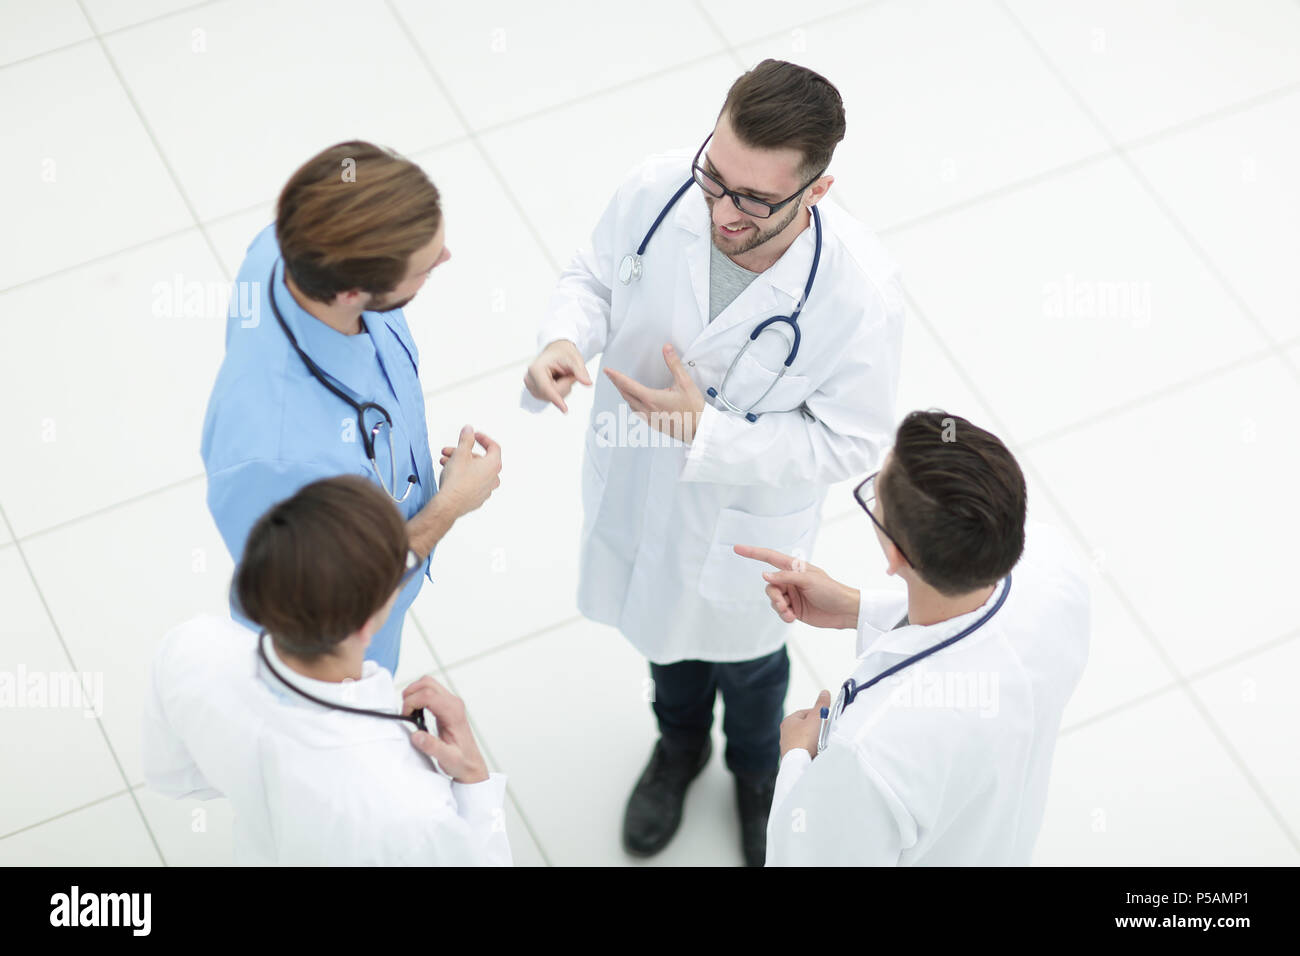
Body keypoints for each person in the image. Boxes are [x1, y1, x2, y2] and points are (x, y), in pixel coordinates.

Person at [522, 59, 904, 865]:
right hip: (636, 484)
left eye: (754, 200)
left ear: (816, 193)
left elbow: (853, 440)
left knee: (752, 666)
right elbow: (593, 276)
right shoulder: (660, 189)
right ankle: (678, 753)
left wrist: (712, 434)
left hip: (740, 526)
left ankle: (755, 774)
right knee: (665, 647)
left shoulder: (858, 294)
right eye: (715, 176)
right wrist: (564, 338)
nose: (722, 209)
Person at [738, 410, 1090, 865]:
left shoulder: (870, 749)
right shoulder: (1054, 565)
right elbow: (982, 631)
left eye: (874, 494)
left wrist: (796, 758)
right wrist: (855, 607)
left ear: (895, 554)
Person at [202, 141, 502, 674]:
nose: (445, 258)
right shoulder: (277, 457)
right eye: (425, 268)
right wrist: (450, 504)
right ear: (351, 294)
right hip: (345, 644)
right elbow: (334, 605)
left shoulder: (290, 247)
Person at [142, 475, 511, 866]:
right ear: (365, 625)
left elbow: (172, 778)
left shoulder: (192, 647)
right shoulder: (410, 808)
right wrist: (473, 779)